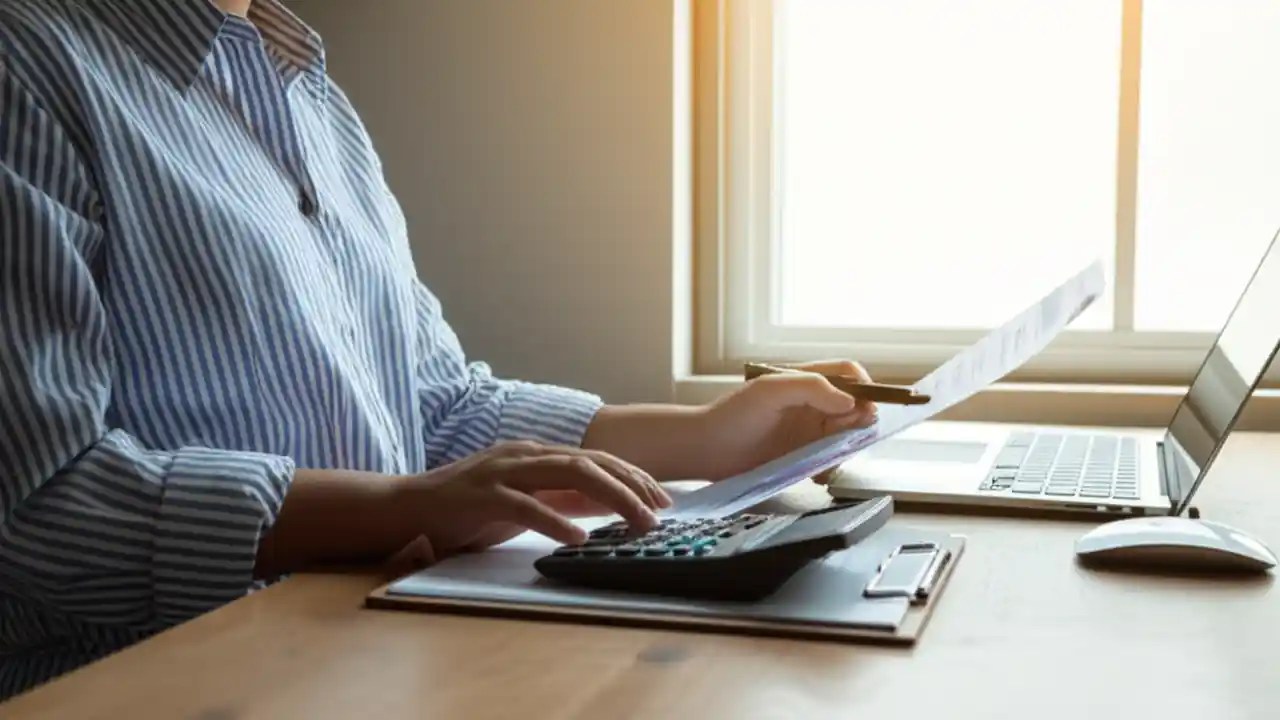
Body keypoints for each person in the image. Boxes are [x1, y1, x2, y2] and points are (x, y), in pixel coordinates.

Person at [0, 0, 876, 699]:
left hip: (361, 654)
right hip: (146, 684)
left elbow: (434, 405)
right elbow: (43, 511)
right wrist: (402, 505)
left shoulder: (311, 99)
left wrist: (710, 437)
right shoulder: (27, 67)